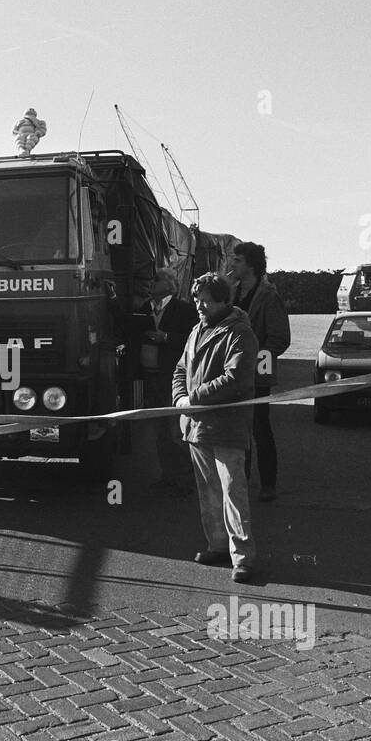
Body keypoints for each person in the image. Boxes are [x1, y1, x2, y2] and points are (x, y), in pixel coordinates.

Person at [173, 272, 259, 583]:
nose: (199, 304)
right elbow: (181, 368)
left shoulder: (240, 334)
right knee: (208, 492)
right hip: (197, 427)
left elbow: (236, 379)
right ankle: (218, 546)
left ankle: (244, 558)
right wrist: (181, 396)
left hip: (227, 427)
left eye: (206, 299)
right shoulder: (195, 330)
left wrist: (192, 398)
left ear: (225, 300)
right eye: (196, 298)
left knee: (233, 492)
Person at [227, 242, 290, 503]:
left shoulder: (268, 295)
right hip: (231, 373)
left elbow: (280, 338)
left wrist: (255, 360)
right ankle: (240, 481)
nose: (233, 265)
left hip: (256, 376)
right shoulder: (232, 292)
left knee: (260, 429)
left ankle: (268, 485)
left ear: (251, 265)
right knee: (236, 430)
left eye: (238, 260)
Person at [140, 270, 198, 493]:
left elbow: (193, 340)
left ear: (170, 284)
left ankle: (185, 480)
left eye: (156, 279)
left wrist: (166, 338)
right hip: (151, 377)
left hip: (172, 378)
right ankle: (168, 476)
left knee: (176, 431)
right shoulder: (146, 308)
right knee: (159, 431)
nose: (150, 282)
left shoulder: (184, 309)